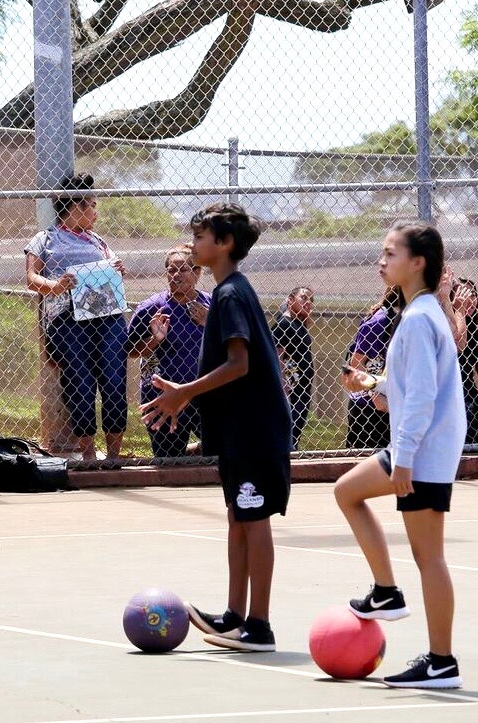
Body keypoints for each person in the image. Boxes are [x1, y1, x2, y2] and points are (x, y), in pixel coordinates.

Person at [141, 203, 291, 652]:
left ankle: (259, 627)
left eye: (201, 237)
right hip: (236, 429)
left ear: (224, 245)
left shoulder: (229, 295)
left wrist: (184, 391)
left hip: (256, 428)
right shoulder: (230, 289)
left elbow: (240, 363)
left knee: (253, 517)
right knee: (237, 518)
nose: (193, 244)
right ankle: (234, 616)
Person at [335, 219, 464, 689]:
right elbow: (411, 387)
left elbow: (425, 399)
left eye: (391, 253)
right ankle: (386, 592)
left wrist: (405, 458)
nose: (381, 260)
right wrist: (371, 382)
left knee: (430, 558)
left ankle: (441, 662)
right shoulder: (422, 313)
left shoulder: (419, 318)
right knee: (347, 492)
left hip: (421, 453)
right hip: (417, 447)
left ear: (418, 263)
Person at [25, 172, 128, 461]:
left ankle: (114, 456)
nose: (96, 213)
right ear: (76, 207)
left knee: (113, 379)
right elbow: (31, 277)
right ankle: (89, 456)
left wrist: (116, 269)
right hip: (68, 319)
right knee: (79, 382)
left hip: (106, 316)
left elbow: (112, 273)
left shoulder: (98, 241)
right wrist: (55, 286)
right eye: (92, 205)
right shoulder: (45, 239)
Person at [127, 246, 210, 458]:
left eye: (183, 269)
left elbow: (233, 344)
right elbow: (133, 351)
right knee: (169, 458)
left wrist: (209, 322)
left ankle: (194, 450)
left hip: (205, 392)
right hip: (164, 396)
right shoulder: (151, 308)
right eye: (171, 270)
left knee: (223, 450)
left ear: (197, 272)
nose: (176, 275)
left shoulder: (211, 305)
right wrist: (155, 339)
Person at [344, 286, 403, 450]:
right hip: (368, 408)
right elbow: (355, 363)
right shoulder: (380, 321)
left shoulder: (406, 318)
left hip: (391, 402)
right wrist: (374, 393)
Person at [450, 277, 478, 444]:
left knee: (475, 445)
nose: (469, 300)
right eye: (462, 294)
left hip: (468, 397)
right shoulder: (446, 324)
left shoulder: (476, 331)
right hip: (449, 395)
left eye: (473, 295)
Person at [272, 286, 315, 449]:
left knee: (294, 437)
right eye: (304, 298)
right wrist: (283, 388)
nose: (309, 302)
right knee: (287, 439)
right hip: (290, 394)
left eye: (311, 300)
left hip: (301, 392)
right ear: (290, 300)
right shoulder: (284, 323)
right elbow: (277, 356)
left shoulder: (297, 324)